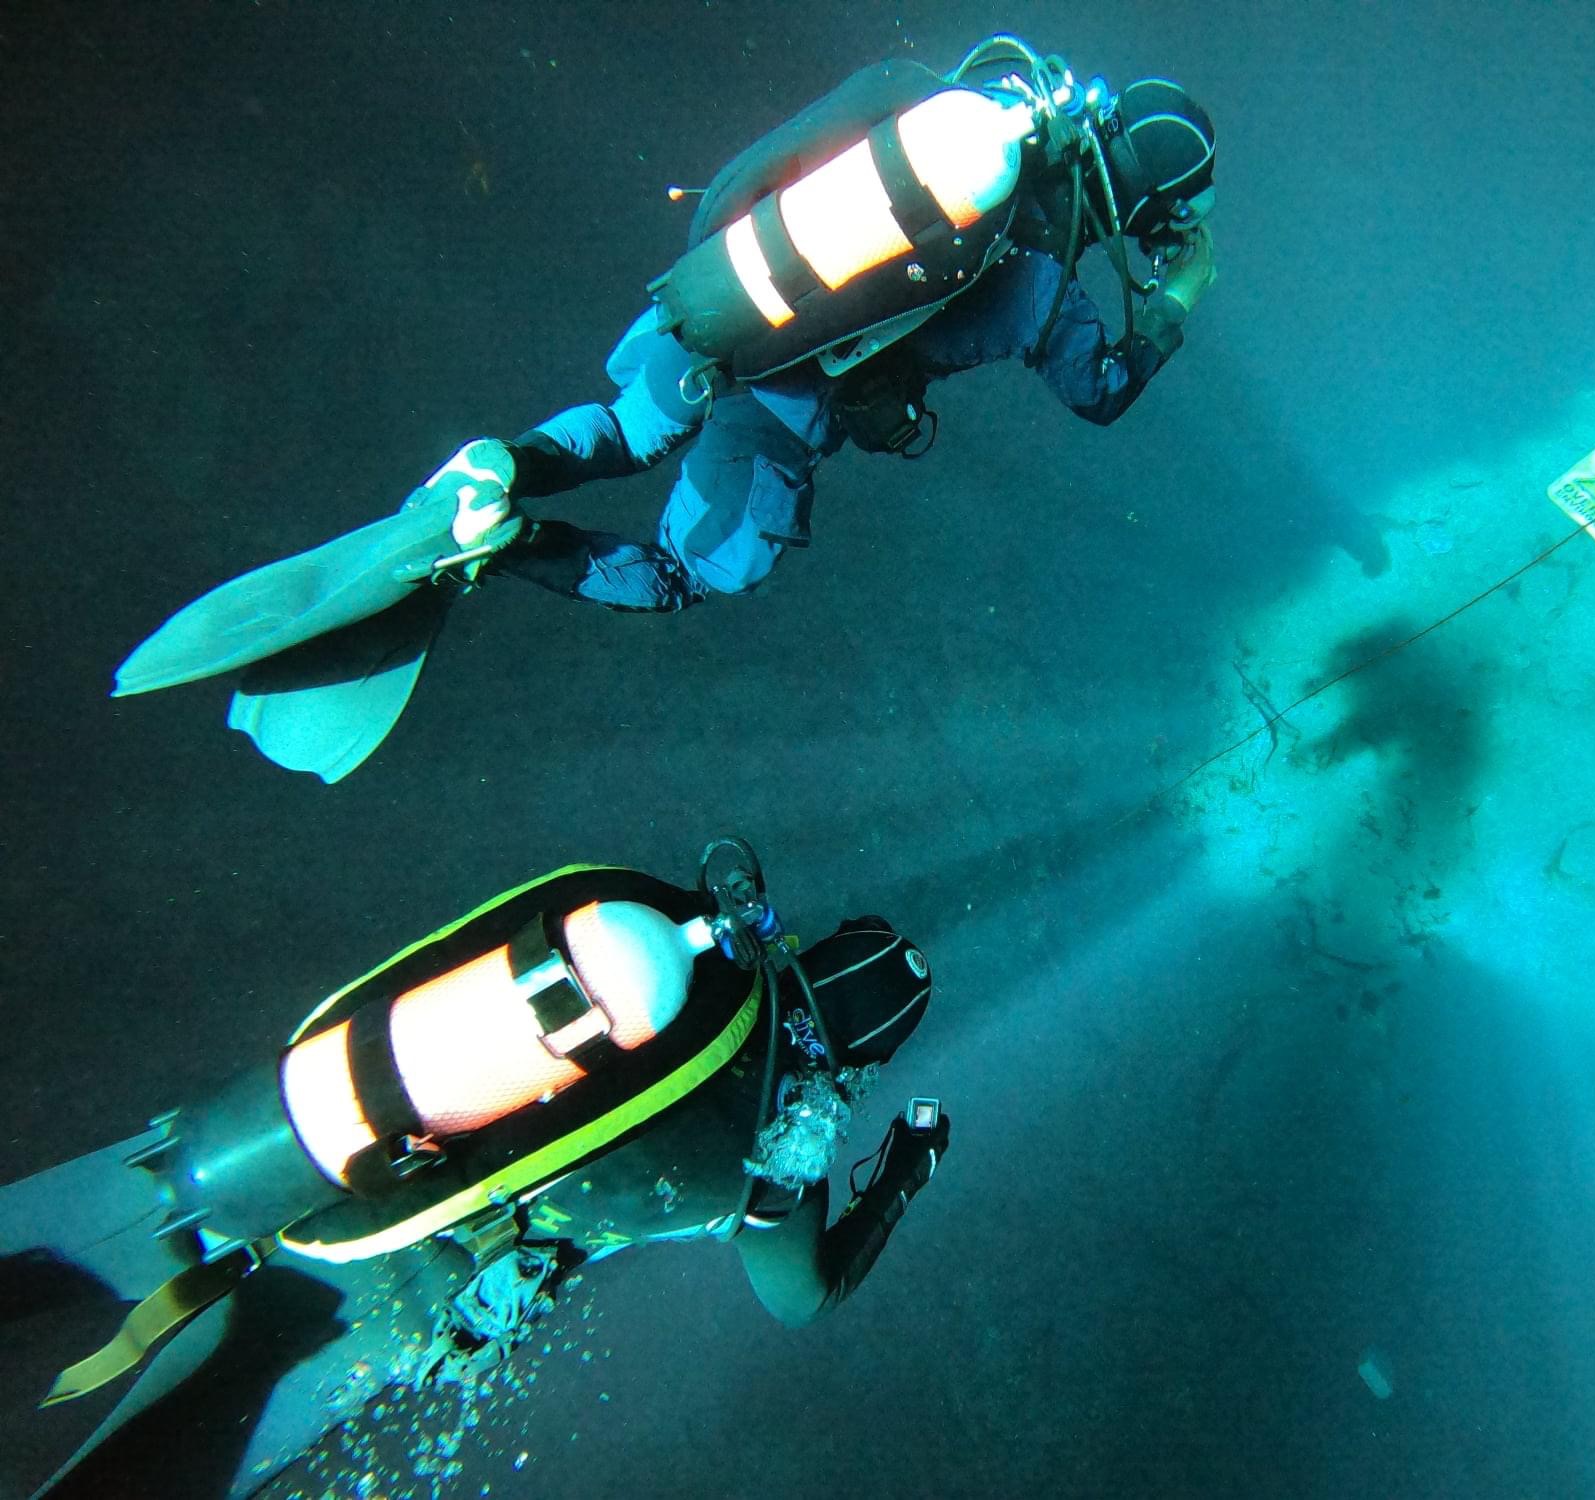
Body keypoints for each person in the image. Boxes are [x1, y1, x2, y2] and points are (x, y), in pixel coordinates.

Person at [109, 34, 1219, 781]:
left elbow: (792, 155)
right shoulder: (1038, 287)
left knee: (624, 424)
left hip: (707, 303)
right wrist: (1170, 301)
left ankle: (500, 466)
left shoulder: (953, 117)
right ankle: (509, 542)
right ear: (1136, 203)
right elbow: (1100, 396)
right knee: (699, 574)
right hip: (774, 409)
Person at [0, 840, 947, 1498]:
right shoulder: (795, 1153)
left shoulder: (698, 958)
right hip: (421, 1280)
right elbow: (803, 1300)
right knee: (175, 1446)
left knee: (111, 1227)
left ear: (813, 950)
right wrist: (908, 1161)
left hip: (316, 1119)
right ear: (867, 1061)